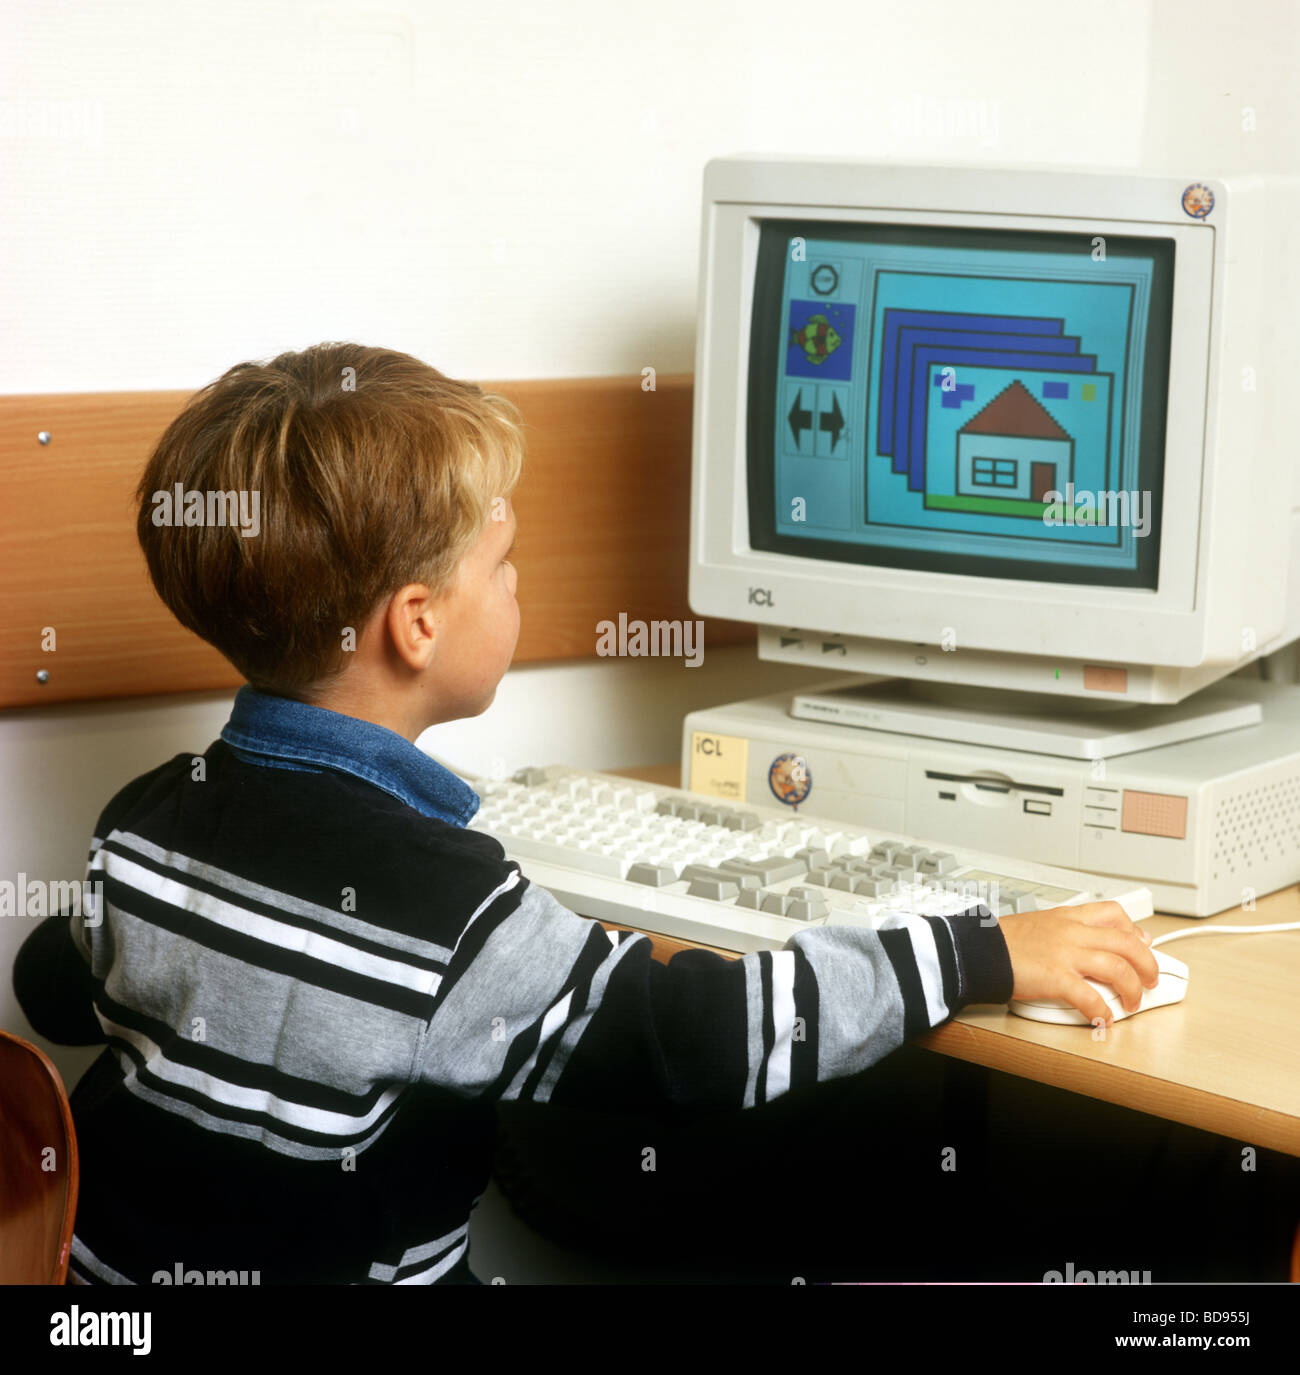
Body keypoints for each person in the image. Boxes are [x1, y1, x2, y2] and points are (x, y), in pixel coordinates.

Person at [12, 342, 1160, 1285]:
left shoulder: (149, 818)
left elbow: (52, 984)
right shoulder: (449, 909)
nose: (518, 586)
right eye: (501, 563)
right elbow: (699, 1037)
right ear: (417, 624)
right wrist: (979, 951)